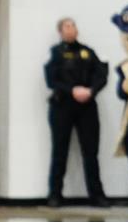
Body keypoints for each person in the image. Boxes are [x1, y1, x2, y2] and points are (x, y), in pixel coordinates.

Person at [44, 17, 110, 208]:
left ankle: (96, 195)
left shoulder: (88, 52)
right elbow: (51, 80)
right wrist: (71, 90)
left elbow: (101, 75)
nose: (71, 29)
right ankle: (55, 194)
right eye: (67, 26)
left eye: (73, 25)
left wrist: (91, 91)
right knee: (60, 151)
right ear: (60, 31)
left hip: (87, 106)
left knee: (91, 152)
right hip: (62, 105)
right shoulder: (55, 53)